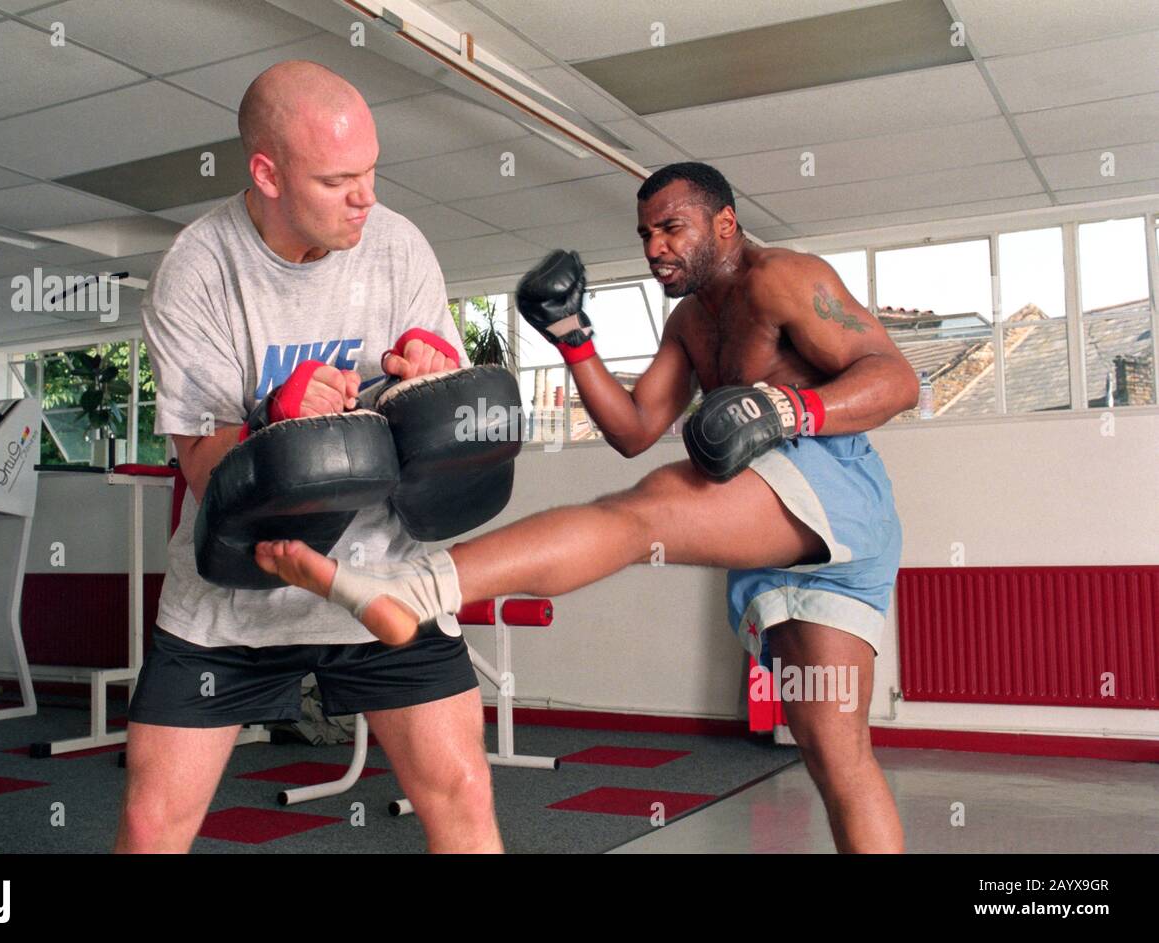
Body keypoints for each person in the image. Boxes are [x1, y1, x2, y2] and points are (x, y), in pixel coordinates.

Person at [254, 162, 919, 853]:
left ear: (725, 223)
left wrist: (786, 406)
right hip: (800, 541)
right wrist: (573, 337)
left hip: (831, 486)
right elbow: (634, 428)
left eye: (671, 227)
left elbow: (896, 378)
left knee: (641, 515)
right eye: (644, 234)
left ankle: (415, 589)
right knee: (835, 756)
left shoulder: (784, 278)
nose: (655, 247)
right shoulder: (692, 320)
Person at [119, 61, 502, 854]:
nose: (366, 196)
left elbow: (432, 435)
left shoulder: (398, 246)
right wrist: (272, 417)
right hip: (235, 590)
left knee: (464, 794)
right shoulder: (198, 271)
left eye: (371, 171)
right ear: (267, 172)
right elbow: (199, 464)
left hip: (381, 573)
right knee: (153, 822)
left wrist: (428, 385)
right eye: (338, 180)